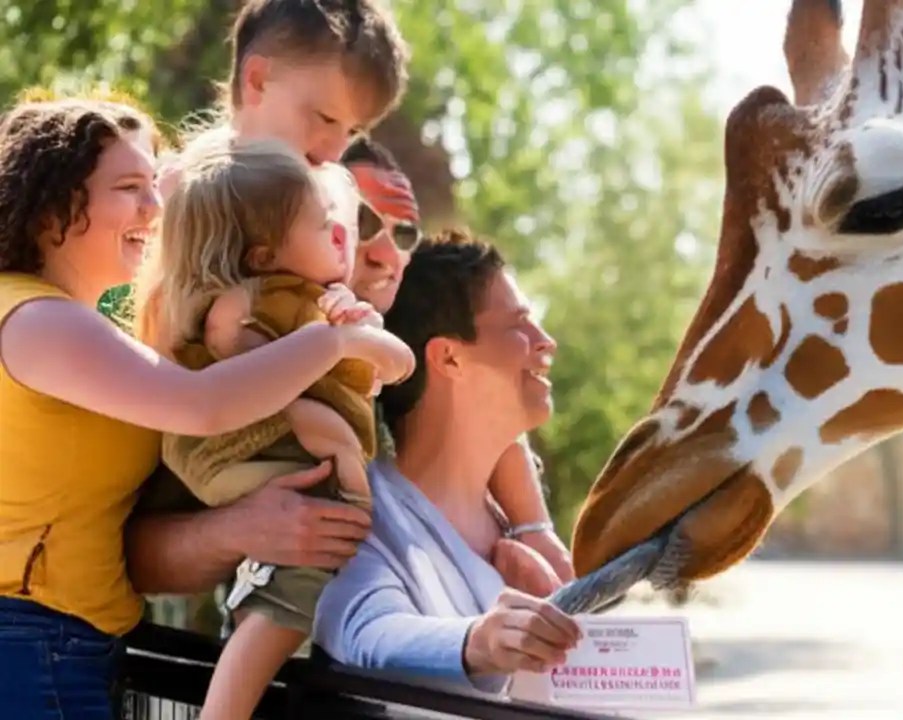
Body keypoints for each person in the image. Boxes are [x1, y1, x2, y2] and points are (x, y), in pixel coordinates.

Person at [125, 0, 569, 607]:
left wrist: (529, 526)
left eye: (352, 130)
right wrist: (236, 529)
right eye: (325, 119)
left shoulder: (337, 201)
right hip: (273, 622)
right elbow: (127, 536)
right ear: (257, 81)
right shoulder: (170, 234)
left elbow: (467, 370)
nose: (333, 152)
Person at [0, 95, 411, 718]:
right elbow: (202, 407)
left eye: (154, 184)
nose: (155, 207)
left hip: (67, 644)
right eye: (130, 187)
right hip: (32, 644)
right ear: (57, 202)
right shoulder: (37, 320)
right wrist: (338, 342)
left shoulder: (89, 328)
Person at [136, 138, 414, 719]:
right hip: (249, 456)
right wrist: (333, 348)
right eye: (322, 227)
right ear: (263, 255)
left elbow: (397, 365)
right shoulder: (240, 305)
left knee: (297, 594)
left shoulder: (323, 302)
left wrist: (362, 334)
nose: (343, 237)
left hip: (298, 464)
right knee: (286, 607)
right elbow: (252, 377)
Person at [313, 228, 581, 695]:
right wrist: (477, 642)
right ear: (449, 358)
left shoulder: (519, 537)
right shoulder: (365, 512)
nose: (547, 342)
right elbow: (363, 630)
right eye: (519, 324)